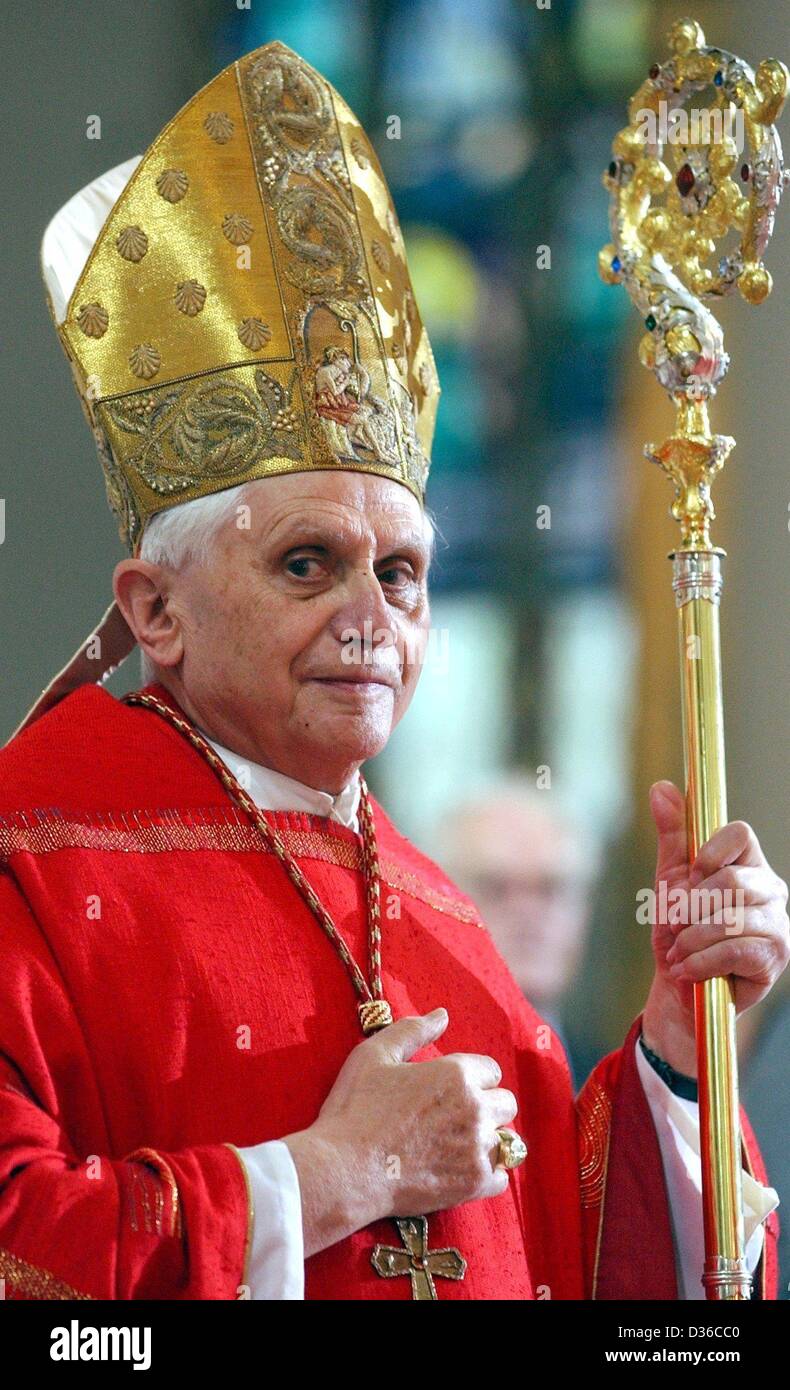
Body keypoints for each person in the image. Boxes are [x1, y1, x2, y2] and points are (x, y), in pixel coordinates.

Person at [0, 40, 786, 1302]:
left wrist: (680, 1054)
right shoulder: (32, 861)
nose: (373, 615)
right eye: (309, 563)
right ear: (156, 611)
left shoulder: (435, 915)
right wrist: (326, 1179)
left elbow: (582, 1275)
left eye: (404, 573)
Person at [437, 779, 605, 1091]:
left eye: (550, 889)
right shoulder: (410, 1078)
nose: (528, 913)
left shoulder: (611, 1088)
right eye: (497, 888)